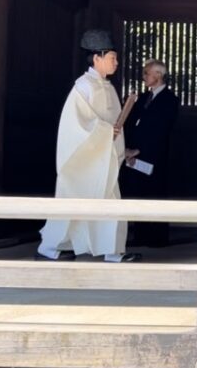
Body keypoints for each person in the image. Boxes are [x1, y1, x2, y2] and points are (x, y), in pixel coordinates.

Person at [36, 29, 140, 262]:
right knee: (72, 205)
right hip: (84, 160)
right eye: (112, 57)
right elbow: (76, 125)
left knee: (110, 201)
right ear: (97, 58)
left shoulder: (108, 87)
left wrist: (115, 139)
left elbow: (114, 124)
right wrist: (105, 131)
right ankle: (49, 248)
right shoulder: (82, 87)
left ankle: (112, 250)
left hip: (104, 157)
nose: (116, 62)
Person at [120, 59, 179, 247]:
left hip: (156, 153)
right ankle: (140, 236)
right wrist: (128, 149)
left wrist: (141, 150)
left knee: (156, 193)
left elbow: (162, 129)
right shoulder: (145, 97)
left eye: (147, 73)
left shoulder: (170, 99)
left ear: (158, 75)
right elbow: (132, 124)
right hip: (136, 154)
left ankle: (157, 238)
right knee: (139, 193)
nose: (144, 76)